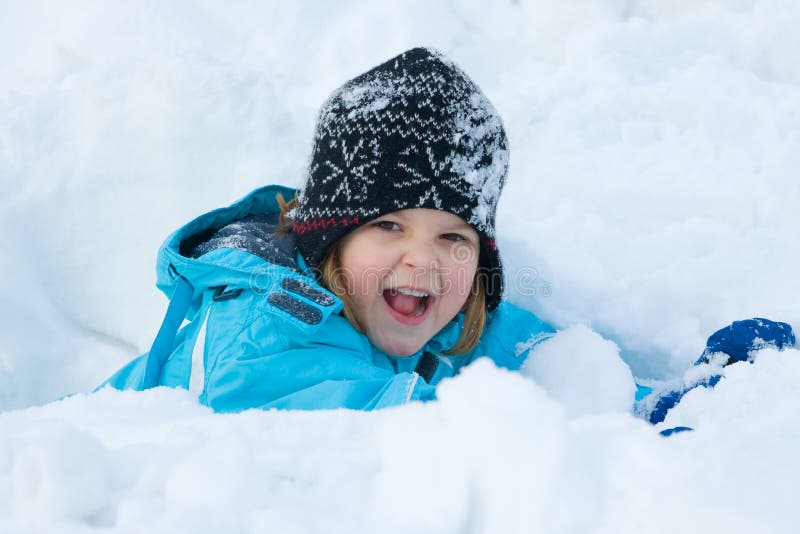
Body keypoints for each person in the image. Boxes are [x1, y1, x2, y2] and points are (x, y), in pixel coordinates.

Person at [98, 47, 795, 422]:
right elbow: (392, 433)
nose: (424, 261)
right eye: (389, 225)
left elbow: (548, 362)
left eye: (454, 238)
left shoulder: (449, 316)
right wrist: (590, 433)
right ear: (328, 242)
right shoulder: (259, 330)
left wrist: (665, 396)